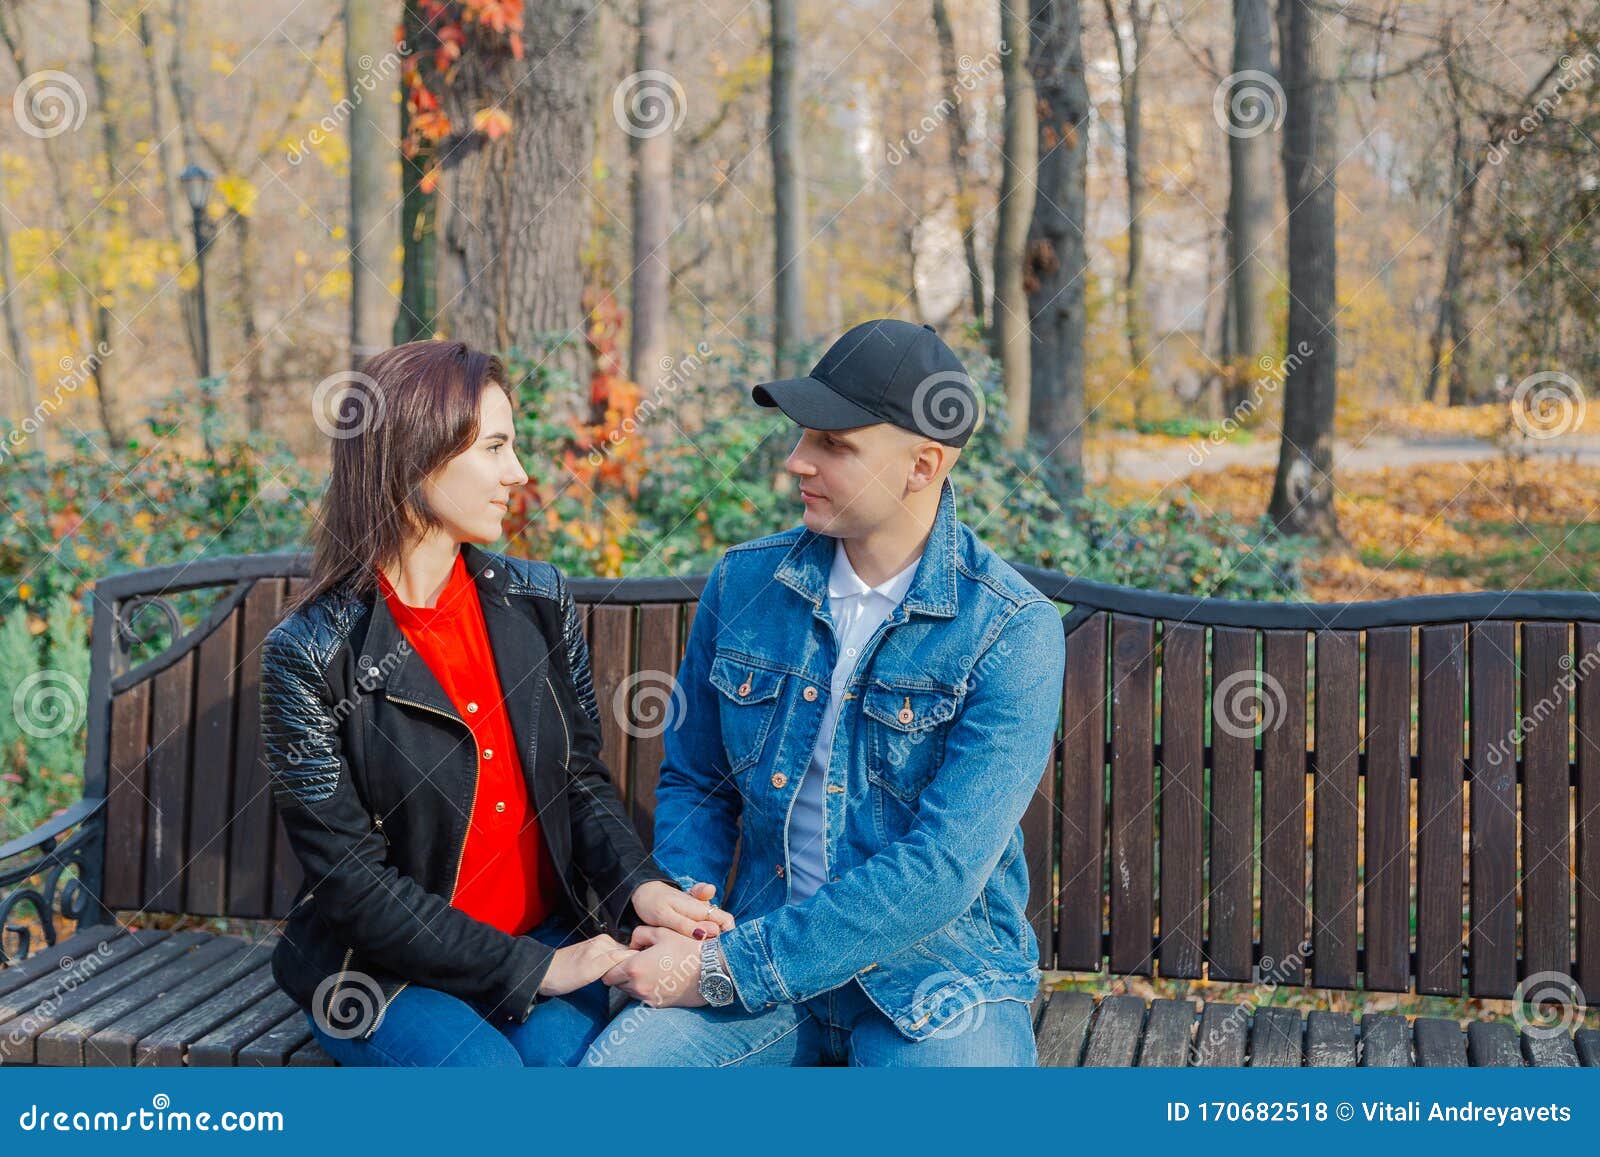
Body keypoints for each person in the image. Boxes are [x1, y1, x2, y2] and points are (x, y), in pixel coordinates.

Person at [585, 319, 1065, 1067]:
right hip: (755, 954)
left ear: (923, 464)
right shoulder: (746, 585)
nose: (796, 461)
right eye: (804, 434)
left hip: (935, 980)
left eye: (834, 445)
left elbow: (941, 866)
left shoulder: (1010, 631)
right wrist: (689, 918)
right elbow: (698, 781)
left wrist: (718, 971)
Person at [260, 339, 731, 1067]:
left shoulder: (536, 600)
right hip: (378, 969)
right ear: (414, 453)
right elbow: (351, 883)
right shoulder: (310, 653)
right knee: (484, 1078)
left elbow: (577, 781)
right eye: (496, 448)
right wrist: (538, 971)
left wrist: (641, 887)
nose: (518, 473)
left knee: (584, 1072)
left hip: (539, 935)